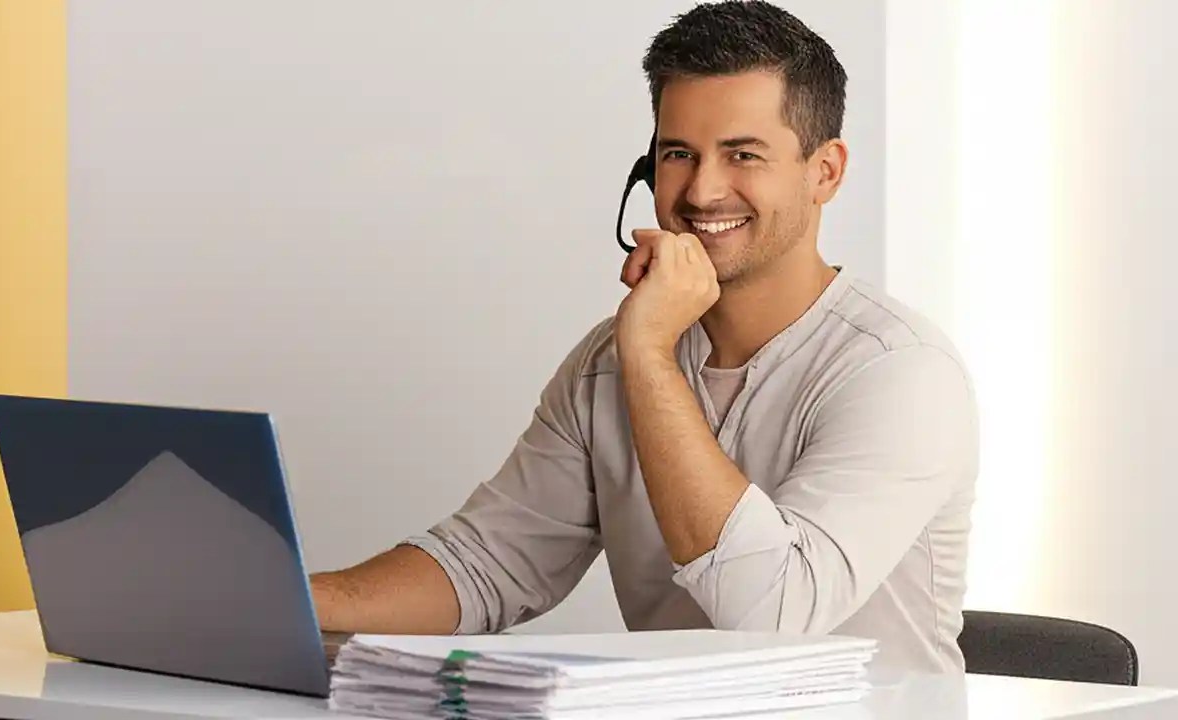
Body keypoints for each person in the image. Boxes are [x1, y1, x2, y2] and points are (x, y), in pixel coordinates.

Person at [310, 0, 978, 674]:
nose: (703, 190)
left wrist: (651, 356)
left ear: (825, 171)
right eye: (678, 154)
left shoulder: (899, 373)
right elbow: (486, 565)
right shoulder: (609, 361)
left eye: (742, 154)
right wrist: (291, 600)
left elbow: (770, 613)